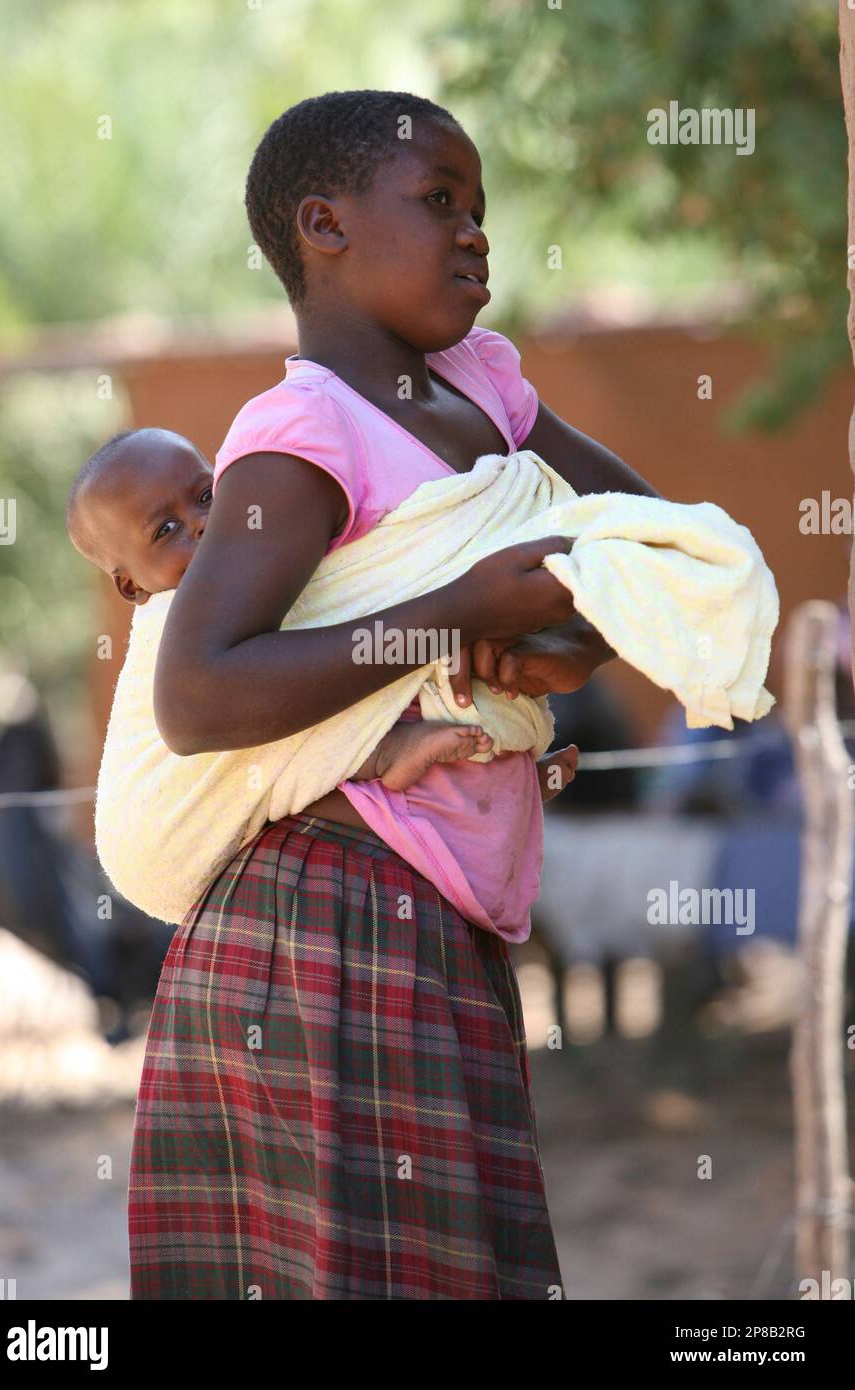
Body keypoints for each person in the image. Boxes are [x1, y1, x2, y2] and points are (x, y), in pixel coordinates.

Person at [122, 90, 659, 1301]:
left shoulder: (482, 392)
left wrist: (577, 647)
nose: (475, 232)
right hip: (328, 927)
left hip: (434, 924)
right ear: (323, 224)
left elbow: (643, 546)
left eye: (479, 209)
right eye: (438, 202)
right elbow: (199, 692)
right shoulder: (303, 429)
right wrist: (464, 610)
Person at [67, 427, 579, 793]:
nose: (201, 523)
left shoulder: (260, 565)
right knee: (278, 721)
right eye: (165, 530)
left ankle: (499, 781)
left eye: (206, 495)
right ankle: (396, 758)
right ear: (131, 586)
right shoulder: (171, 628)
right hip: (266, 769)